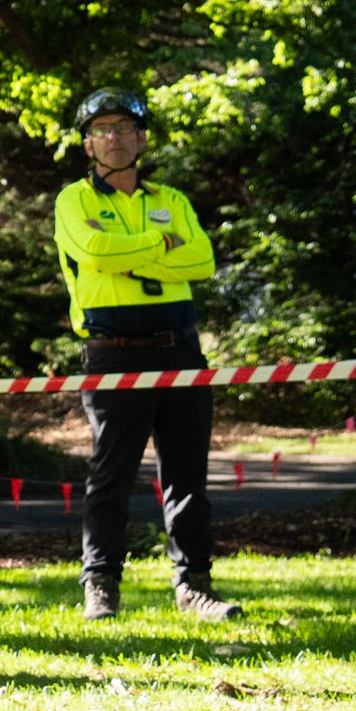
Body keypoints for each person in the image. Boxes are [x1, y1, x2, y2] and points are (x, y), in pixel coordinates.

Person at [58, 87, 238, 623]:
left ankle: (195, 585)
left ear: (141, 139)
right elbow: (92, 251)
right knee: (111, 475)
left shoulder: (171, 200)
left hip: (180, 349)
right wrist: (162, 247)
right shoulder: (74, 201)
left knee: (187, 475)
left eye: (124, 128)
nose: (114, 138)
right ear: (88, 144)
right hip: (113, 352)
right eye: (102, 130)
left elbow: (202, 261)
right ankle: (100, 585)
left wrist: (127, 258)